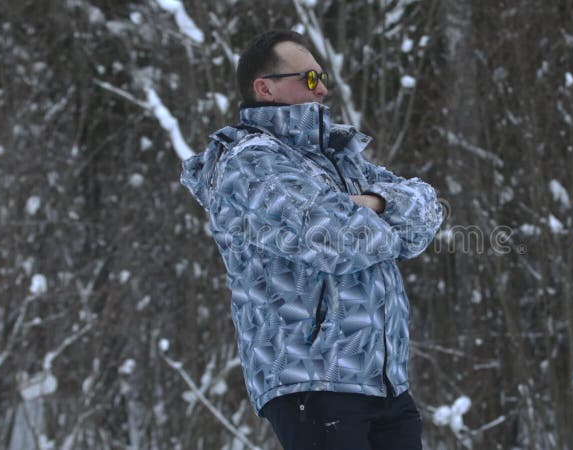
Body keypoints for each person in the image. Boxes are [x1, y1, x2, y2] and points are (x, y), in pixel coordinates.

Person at [180, 29, 443, 450]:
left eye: (321, 77)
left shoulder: (339, 158)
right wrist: (381, 213)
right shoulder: (248, 164)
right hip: (314, 381)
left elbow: (427, 210)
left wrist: (367, 202)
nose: (321, 89)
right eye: (306, 79)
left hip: (385, 380)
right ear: (263, 88)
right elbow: (339, 239)